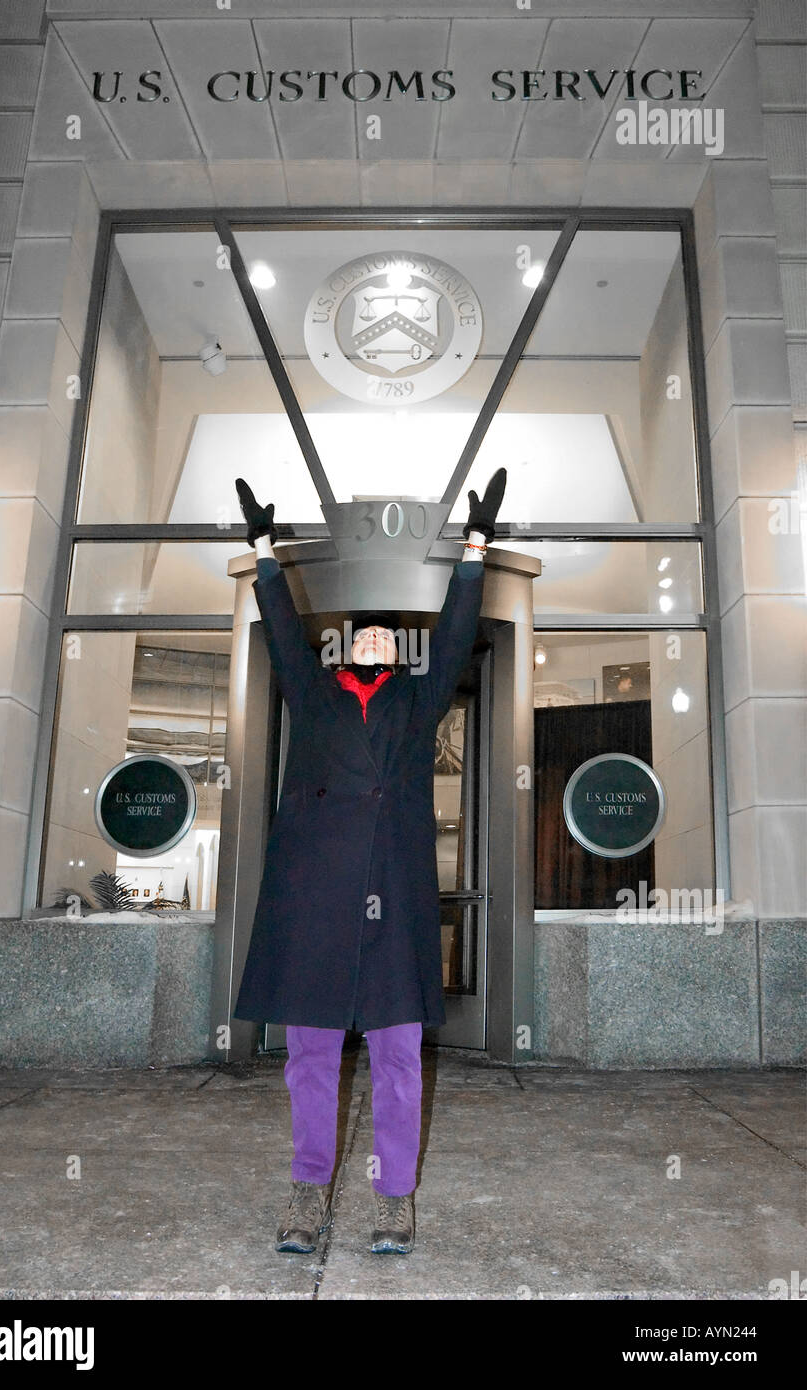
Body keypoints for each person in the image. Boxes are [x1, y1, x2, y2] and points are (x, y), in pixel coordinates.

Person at [232, 469, 506, 1254]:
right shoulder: (313, 697)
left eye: (389, 637)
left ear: (400, 655)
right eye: (366, 634)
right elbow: (283, 627)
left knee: (396, 1058)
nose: (377, 640)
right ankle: (307, 1193)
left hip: (392, 902)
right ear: (346, 648)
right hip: (314, 902)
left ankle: (393, 1198)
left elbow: (456, 632)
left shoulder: (418, 709)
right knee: (310, 1057)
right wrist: (264, 551)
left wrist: (475, 551)